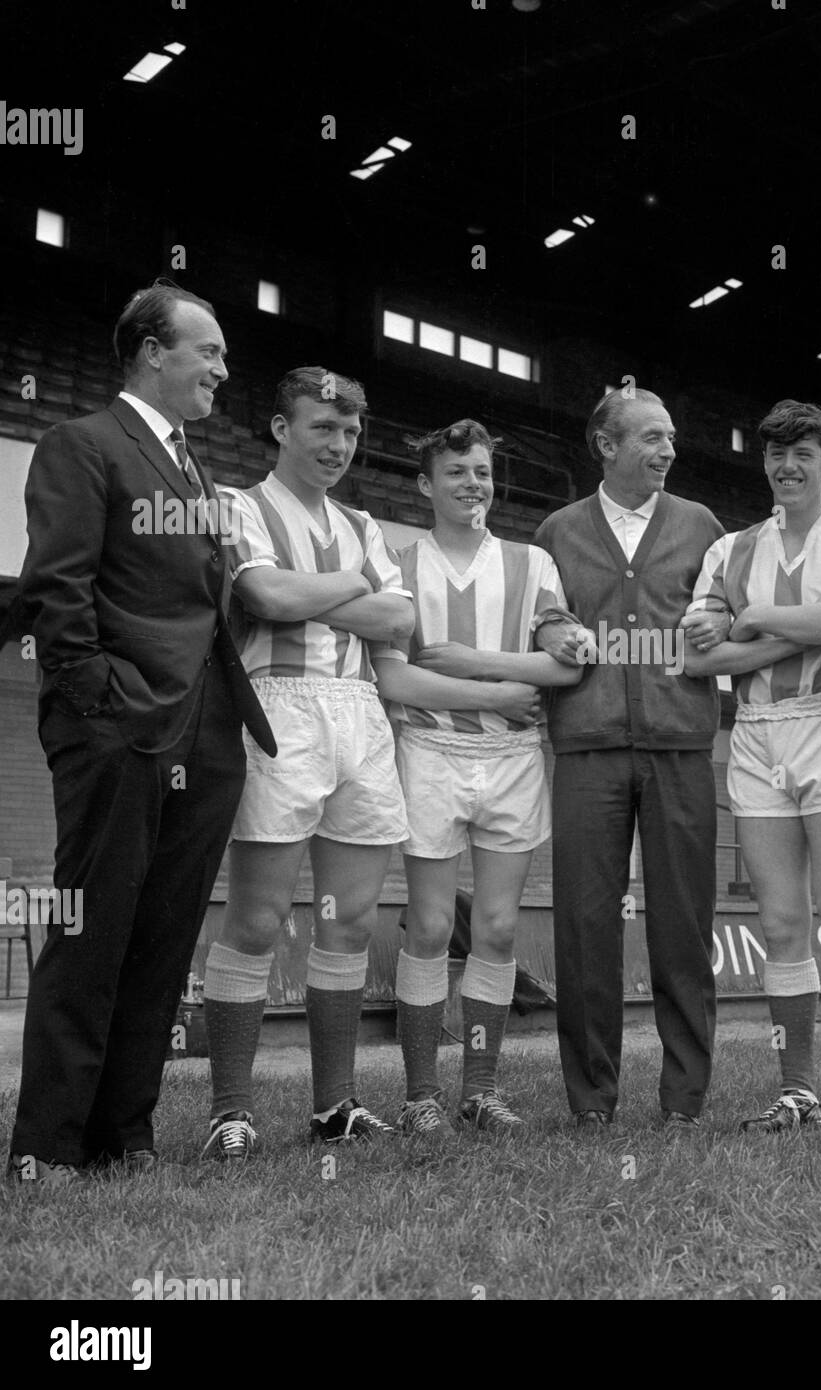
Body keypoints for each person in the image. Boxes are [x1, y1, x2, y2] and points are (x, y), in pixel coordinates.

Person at [6, 282, 274, 1188]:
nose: (222, 370)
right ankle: (48, 1145)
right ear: (153, 351)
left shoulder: (195, 467)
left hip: (205, 733)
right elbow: (57, 588)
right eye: (209, 351)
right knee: (94, 931)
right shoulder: (80, 444)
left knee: (161, 939)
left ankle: (126, 1134)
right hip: (120, 728)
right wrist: (103, 706)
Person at [199, 367, 413, 1161]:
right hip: (278, 707)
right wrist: (350, 587)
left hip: (358, 711)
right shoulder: (237, 504)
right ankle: (230, 1111)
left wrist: (315, 591)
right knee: (257, 918)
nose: (339, 445)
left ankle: (334, 1106)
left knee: (348, 920)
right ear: (281, 429)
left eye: (351, 432)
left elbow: (400, 617)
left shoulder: (363, 521)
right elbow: (264, 599)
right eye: (323, 427)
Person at [684, 400, 821, 1137]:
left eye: (803, 454)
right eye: (775, 455)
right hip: (758, 731)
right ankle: (797, 1089)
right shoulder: (730, 549)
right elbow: (696, 656)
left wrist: (755, 619)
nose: (787, 467)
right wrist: (787, 627)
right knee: (778, 919)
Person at [531, 387, 730, 1132]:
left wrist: (718, 614)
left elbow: (724, 605)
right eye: (650, 437)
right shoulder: (556, 530)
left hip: (680, 744)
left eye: (671, 436)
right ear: (605, 446)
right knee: (585, 928)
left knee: (682, 926)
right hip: (586, 747)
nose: (667, 450)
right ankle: (590, 1101)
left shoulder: (702, 526)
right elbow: (542, 611)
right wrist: (551, 629)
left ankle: (683, 1100)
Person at [374, 419, 580, 1134]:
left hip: (513, 760)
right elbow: (394, 678)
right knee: (430, 924)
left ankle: (481, 1089)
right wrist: (495, 692)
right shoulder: (397, 564)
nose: (472, 484)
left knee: (494, 929)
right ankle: (420, 1095)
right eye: (457, 472)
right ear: (425, 484)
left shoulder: (533, 564)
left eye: (482, 472)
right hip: (428, 751)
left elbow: (564, 664)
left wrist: (465, 662)